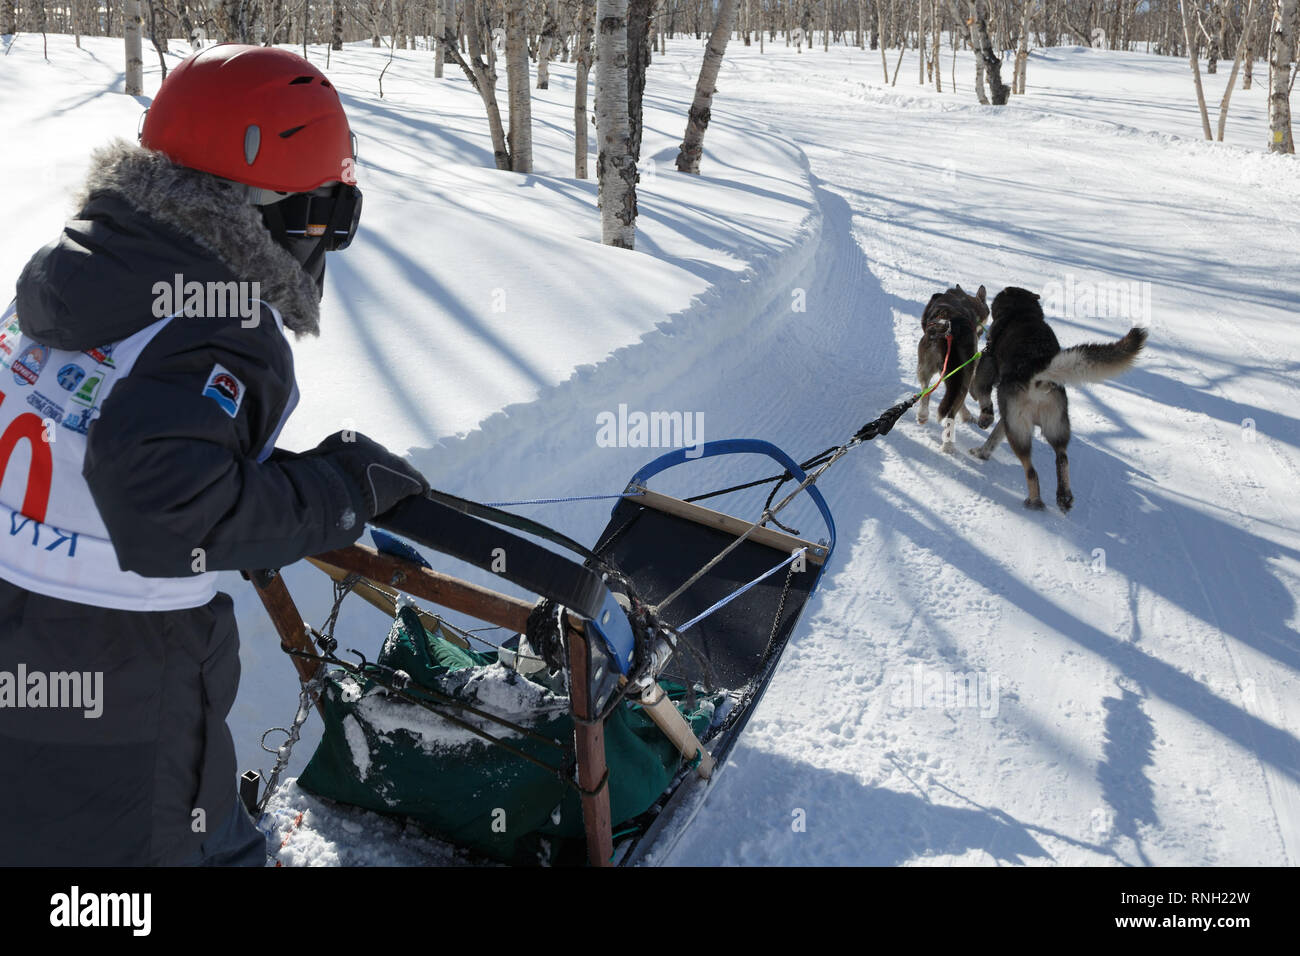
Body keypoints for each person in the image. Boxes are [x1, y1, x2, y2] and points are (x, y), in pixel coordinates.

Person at [0, 44, 428, 865]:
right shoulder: (222, 323)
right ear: (275, 211)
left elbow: (112, 430)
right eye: (327, 214)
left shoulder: (72, 272)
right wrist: (341, 490)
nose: (327, 241)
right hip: (115, 660)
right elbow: (171, 513)